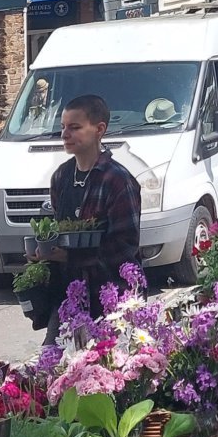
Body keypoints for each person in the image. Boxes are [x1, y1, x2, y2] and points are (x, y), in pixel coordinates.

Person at [39, 94, 143, 341]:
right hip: (68, 299)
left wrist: (72, 255)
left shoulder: (117, 180)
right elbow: (58, 231)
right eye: (63, 127)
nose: (65, 134)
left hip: (112, 300)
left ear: (99, 130)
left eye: (75, 127)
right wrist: (43, 253)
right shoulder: (61, 177)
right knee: (52, 365)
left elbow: (125, 248)